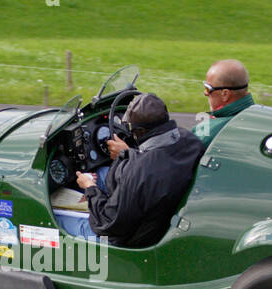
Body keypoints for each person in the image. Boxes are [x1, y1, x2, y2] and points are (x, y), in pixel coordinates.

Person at [61, 93, 203, 248]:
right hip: (159, 214)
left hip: (126, 239)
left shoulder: (140, 172)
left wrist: (90, 188)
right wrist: (127, 153)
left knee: (56, 221)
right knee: (102, 172)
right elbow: (156, 158)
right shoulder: (189, 141)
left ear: (140, 131)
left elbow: (107, 223)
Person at [193, 59, 254, 148]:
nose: (205, 93)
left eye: (208, 88)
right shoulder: (259, 117)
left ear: (225, 94)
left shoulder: (206, 132)